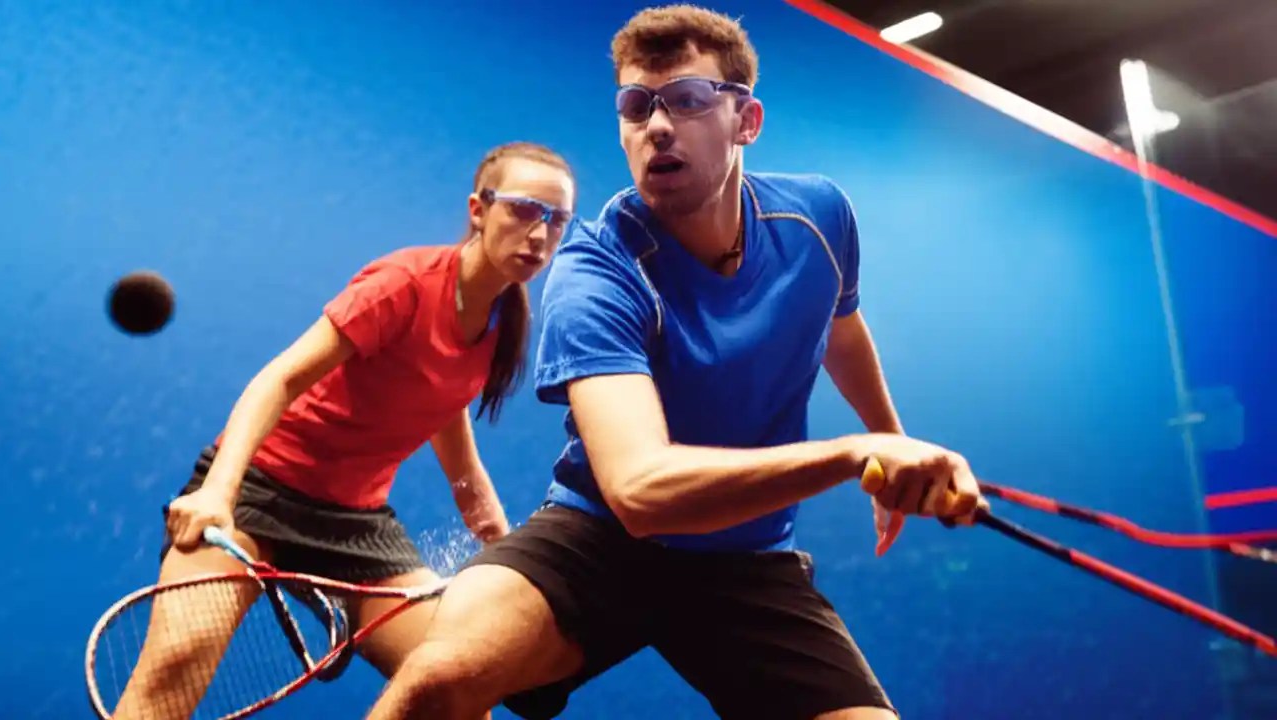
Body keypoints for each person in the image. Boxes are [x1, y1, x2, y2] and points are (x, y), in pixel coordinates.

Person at [366, 7, 986, 720]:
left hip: (748, 562)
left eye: (687, 100)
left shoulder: (820, 218)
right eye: (636, 107)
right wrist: (856, 453)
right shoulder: (598, 266)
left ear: (746, 120)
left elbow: (839, 330)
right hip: (599, 538)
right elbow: (639, 490)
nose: (657, 126)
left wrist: (893, 440)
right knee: (439, 678)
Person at [111, 141, 576, 720]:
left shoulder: (503, 321)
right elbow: (278, 380)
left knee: (456, 689)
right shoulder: (403, 283)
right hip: (255, 490)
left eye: (557, 219)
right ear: (479, 210)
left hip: (355, 526)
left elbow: (442, 403)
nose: (540, 233)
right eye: (525, 209)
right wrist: (217, 494)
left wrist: (492, 529)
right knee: (173, 675)